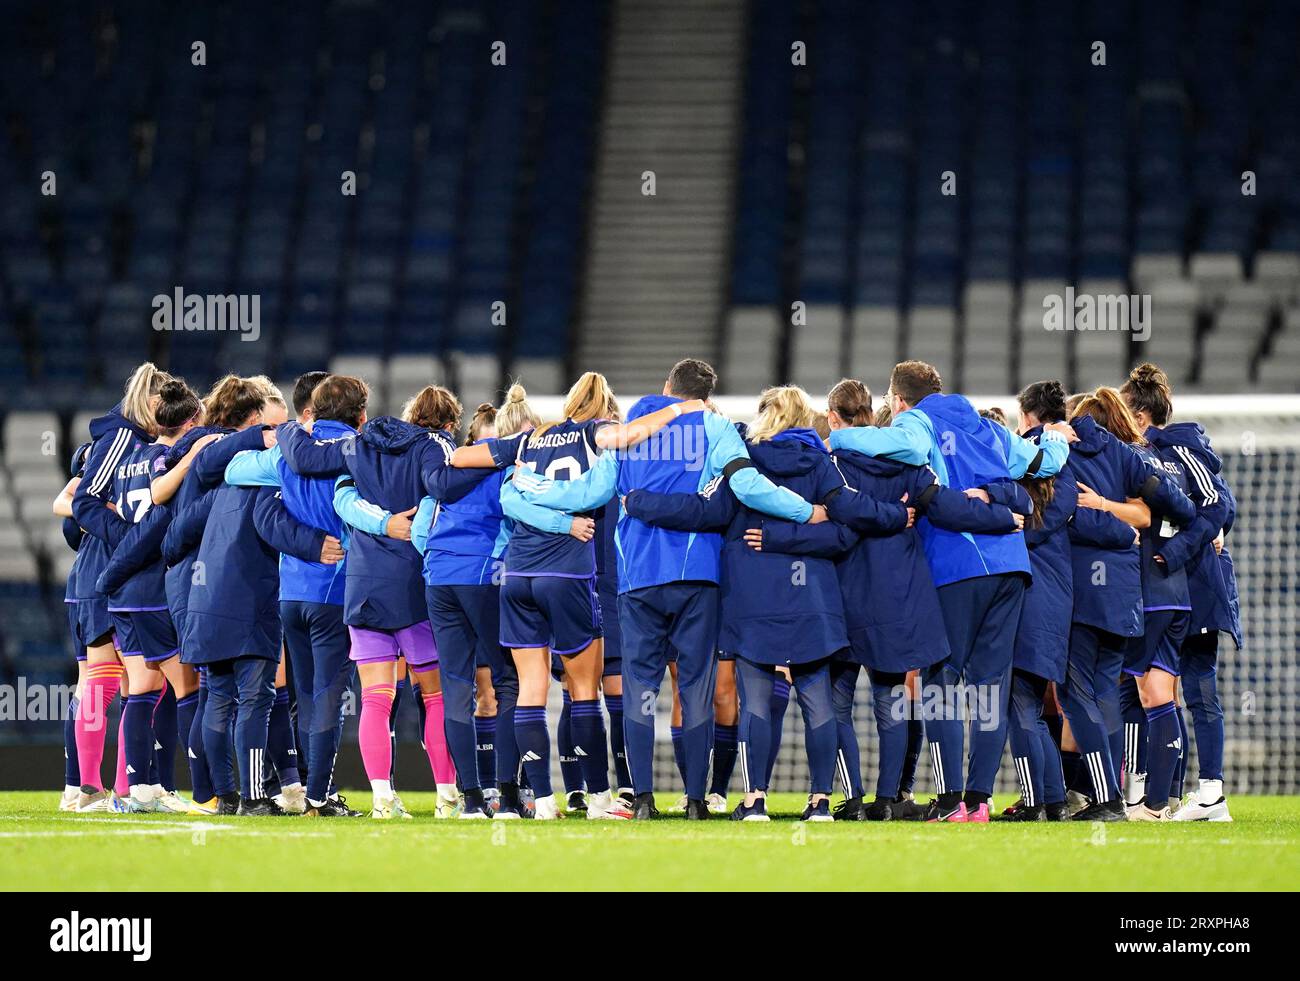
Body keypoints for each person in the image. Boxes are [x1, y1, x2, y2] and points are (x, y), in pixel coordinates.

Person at [508, 361, 823, 820]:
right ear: (706, 395)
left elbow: (586, 494)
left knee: (639, 688)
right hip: (697, 577)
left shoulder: (631, 430)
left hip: (637, 581)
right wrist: (804, 512)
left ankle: (643, 801)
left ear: (666, 388)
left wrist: (529, 486)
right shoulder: (715, 427)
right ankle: (697, 800)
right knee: (694, 688)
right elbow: (748, 485)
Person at [825, 360, 1071, 822]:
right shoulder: (987, 427)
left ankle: (949, 798)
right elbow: (1045, 462)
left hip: (956, 566)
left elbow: (892, 443)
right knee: (992, 688)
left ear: (899, 400)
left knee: (941, 683)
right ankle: (980, 801)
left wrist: (836, 436)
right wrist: (1056, 434)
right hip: (1011, 567)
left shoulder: (917, 422)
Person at [452, 371, 705, 819]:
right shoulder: (598, 434)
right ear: (605, 409)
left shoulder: (532, 439)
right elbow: (621, 452)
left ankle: (544, 801)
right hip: (566, 572)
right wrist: (680, 408)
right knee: (583, 689)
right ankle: (600, 800)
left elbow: (468, 464)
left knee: (530, 689)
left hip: (517, 575)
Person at [222, 372, 375, 817]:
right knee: (329, 695)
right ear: (360, 415)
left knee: (306, 696)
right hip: (337, 586)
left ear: (314, 411)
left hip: (292, 592)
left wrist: (284, 437)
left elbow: (233, 468)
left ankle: (308, 790)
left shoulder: (290, 451)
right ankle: (318, 797)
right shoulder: (360, 450)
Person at [1006, 381, 1136, 821]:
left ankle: (1099, 800)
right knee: (1080, 697)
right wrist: (1126, 532)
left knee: (1049, 698)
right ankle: (1056, 799)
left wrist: (1002, 522)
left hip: (1031, 596)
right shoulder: (1067, 466)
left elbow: (1045, 520)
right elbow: (1079, 517)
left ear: (1027, 417)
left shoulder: (1023, 460)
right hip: (1066, 598)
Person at [1063, 387, 1194, 820]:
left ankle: (1115, 798)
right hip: (1128, 593)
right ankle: (1128, 795)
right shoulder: (1128, 458)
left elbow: (1127, 516)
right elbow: (1168, 507)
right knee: (1113, 694)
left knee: (1089, 692)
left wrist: (1102, 510)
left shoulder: (1070, 453)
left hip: (1099, 592)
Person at [159, 375, 285, 814]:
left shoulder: (210, 473)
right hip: (243, 598)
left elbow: (174, 534)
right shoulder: (252, 474)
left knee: (216, 698)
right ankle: (251, 797)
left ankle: (223, 795)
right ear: (254, 422)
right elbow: (276, 529)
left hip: (202, 594)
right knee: (252, 698)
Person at [1120, 365, 1230, 820]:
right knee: (1162, 691)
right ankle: (1167, 795)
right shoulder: (1151, 452)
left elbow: (1220, 503)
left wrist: (1178, 549)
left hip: (1190, 585)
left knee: (1193, 689)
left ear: (1141, 415)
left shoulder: (1179, 449)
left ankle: (1209, 793)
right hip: (1173, 584)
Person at [94, 379, 206, 812]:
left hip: (124, 594)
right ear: (191, 420)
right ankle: (205, 791)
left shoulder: (128, 459)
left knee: (140, 689)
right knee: (187, 687)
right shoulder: (169, 461)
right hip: (156, 588)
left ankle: (141, 788)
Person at [69, 363, 170, 812]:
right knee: (106, 680)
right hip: (105, 573)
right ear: (149, 402)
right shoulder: (122, 439)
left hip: (121, 573)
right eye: (163, 403)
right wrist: (128, 535)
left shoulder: (145, 443)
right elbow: (83, 502)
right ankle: (89, 787)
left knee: (135, 682)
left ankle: (113, 788)